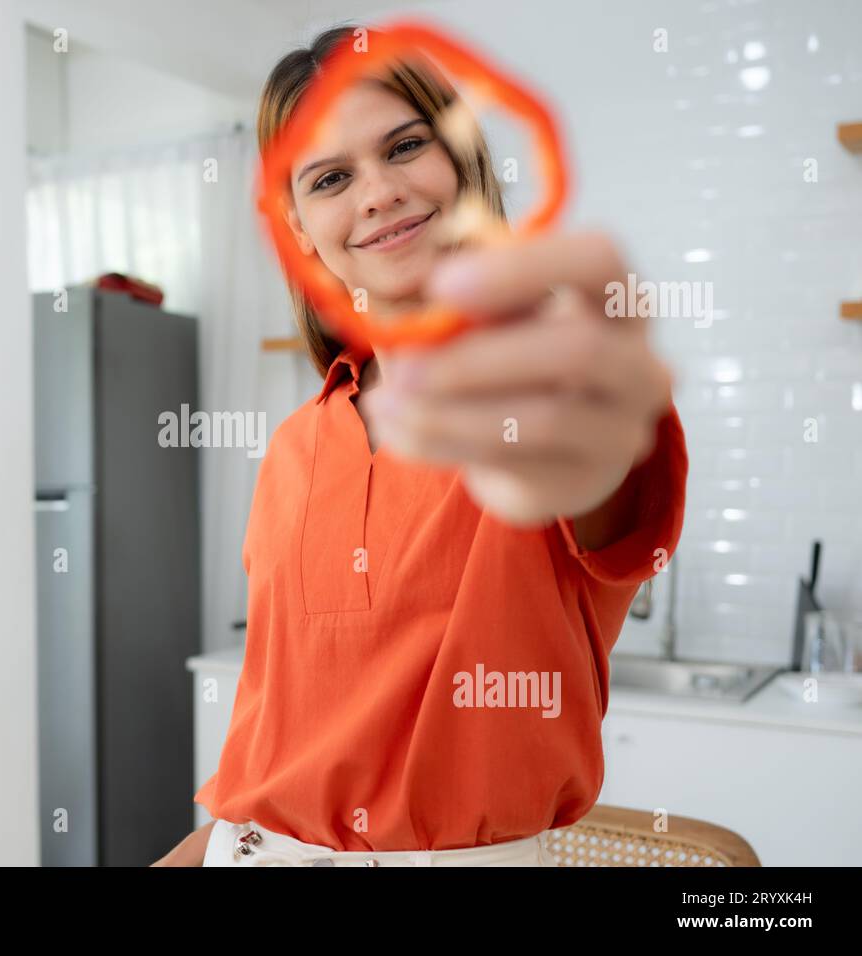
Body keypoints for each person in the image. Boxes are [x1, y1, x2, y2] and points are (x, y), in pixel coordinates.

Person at [153, 23, 686, 867]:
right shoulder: (294, 447)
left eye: (405, 147)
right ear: (297, 228)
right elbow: (268, 775)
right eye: (331, 178)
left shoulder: (545, 391)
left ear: (465, 160)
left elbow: (597, 466)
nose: (377, 193)